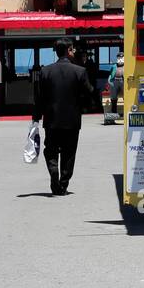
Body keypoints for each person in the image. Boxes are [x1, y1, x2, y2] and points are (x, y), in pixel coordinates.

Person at [32, 37, 94, 196]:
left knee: (51, 150)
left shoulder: (45, 71)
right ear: (68, 51)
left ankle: (53, 170)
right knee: (69, 152)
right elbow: (89, 93)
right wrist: (82, 105)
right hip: (72, 120)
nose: (74, 51)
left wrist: (36, 117)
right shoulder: (79, 71)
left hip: (51, 120)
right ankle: (63, 184)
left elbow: (38, 97)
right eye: (72, 49)